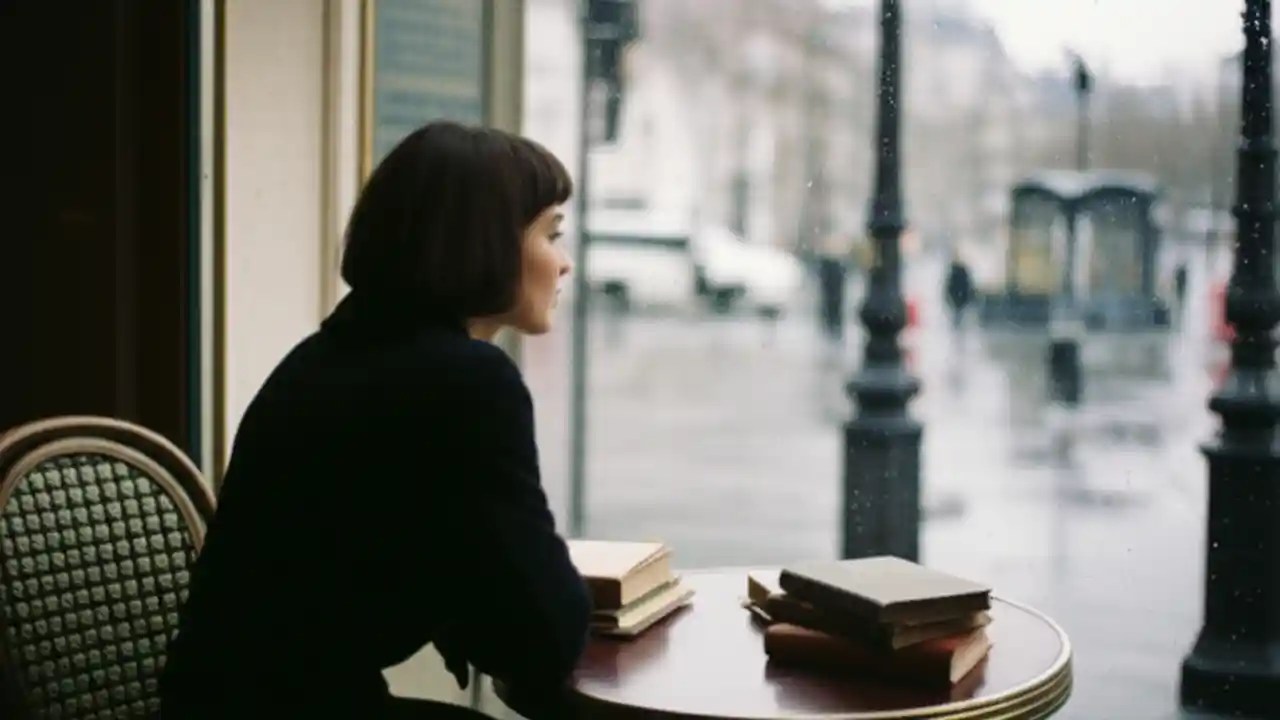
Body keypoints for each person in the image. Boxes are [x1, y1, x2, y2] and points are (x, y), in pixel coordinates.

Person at [160, 122, 590, 718]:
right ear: (484, 241)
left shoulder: (333, 353)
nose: (564, 264)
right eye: (551, 233)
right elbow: (544, 634)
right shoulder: (466, 381)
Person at [945, 255, 974, 330]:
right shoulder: (959, 273)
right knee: (960, 314)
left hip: (958, 297)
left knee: (959, 314)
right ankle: (958, 329)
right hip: (959, 297)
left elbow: (950, 285)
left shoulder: (954, 273)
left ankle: (957, 329)